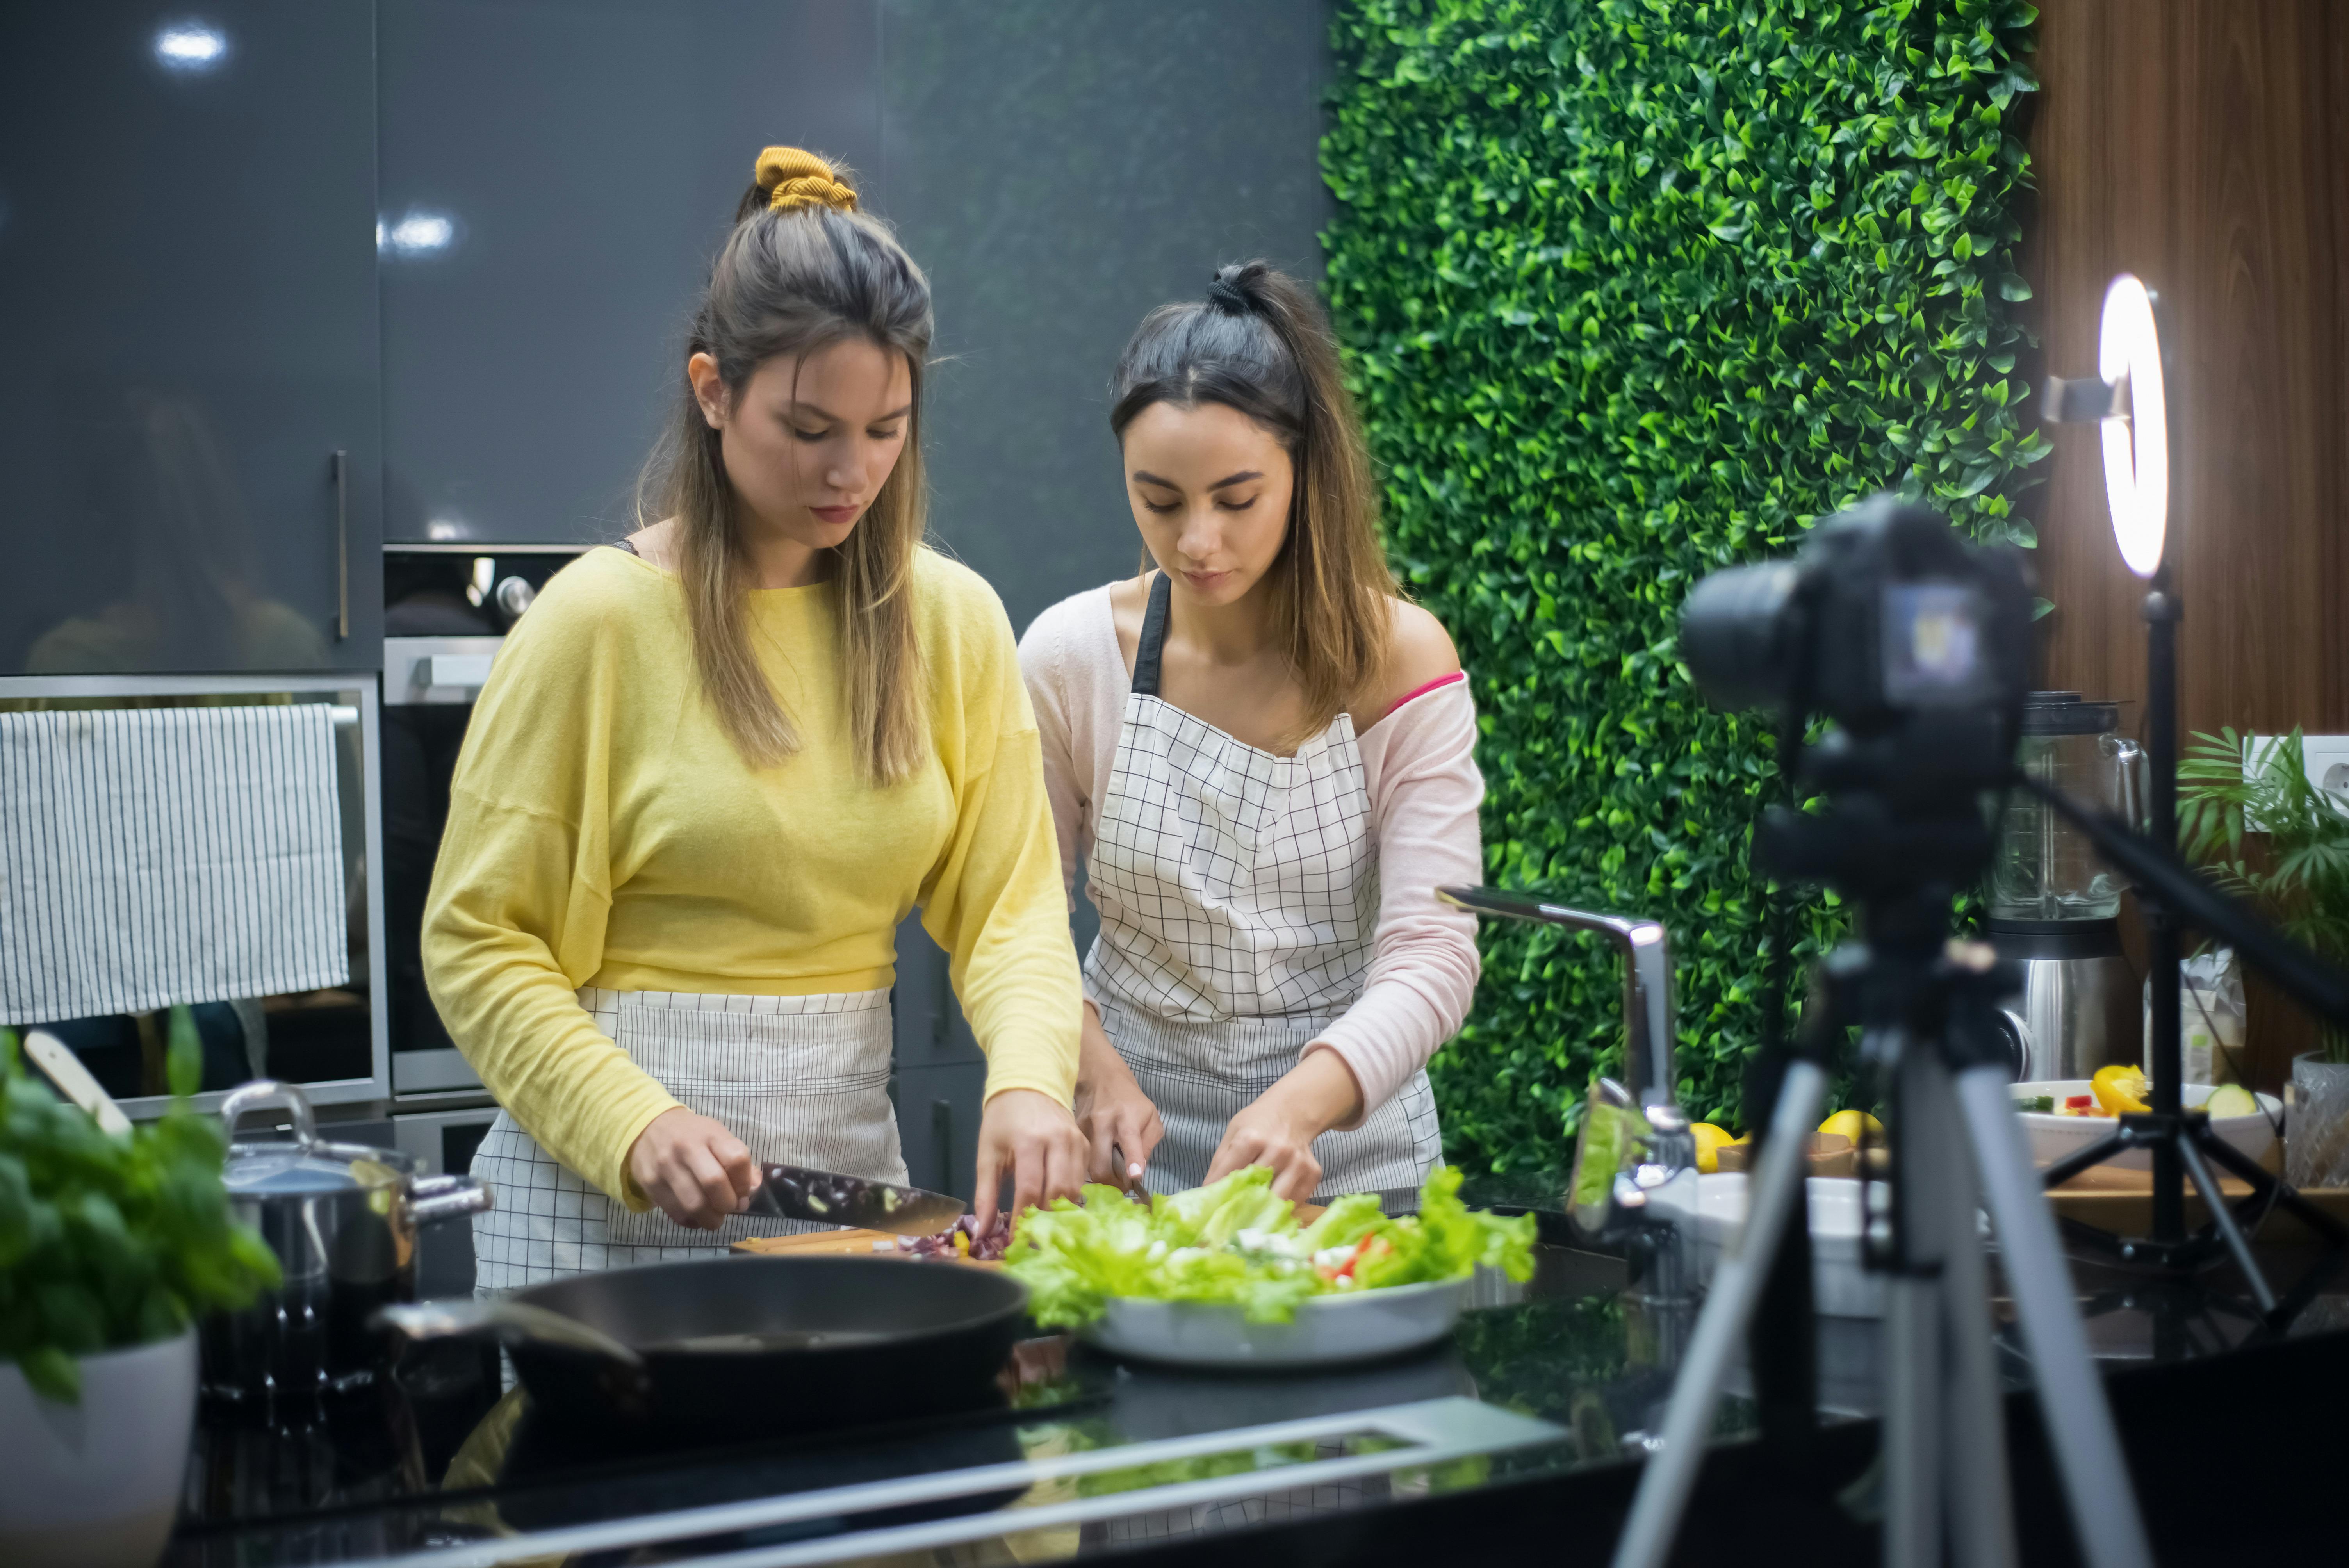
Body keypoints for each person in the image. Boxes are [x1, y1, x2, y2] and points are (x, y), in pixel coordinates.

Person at [424, 147, 1087, 1290]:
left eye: (887, 428)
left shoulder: (952, 619)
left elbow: (1012, 909)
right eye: (810, 427)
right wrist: (631, 1121)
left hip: (841, 1198)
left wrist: (1029, 1080)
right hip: (587, 1223)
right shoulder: (597, 624)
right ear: (712, 390)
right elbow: (479, 939)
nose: (853, 471)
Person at [1019, 262, 1485, 1204]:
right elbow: (1014, 920)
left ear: (1304, 474)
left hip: (1350, 1156)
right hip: (1126, 1152)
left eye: (1236, 500)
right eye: (1159, 501)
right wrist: (1090, 1067)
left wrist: (1301, 1106)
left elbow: (1433, 950)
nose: (1197, 541)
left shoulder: (1397, 655)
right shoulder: (1069, 658)